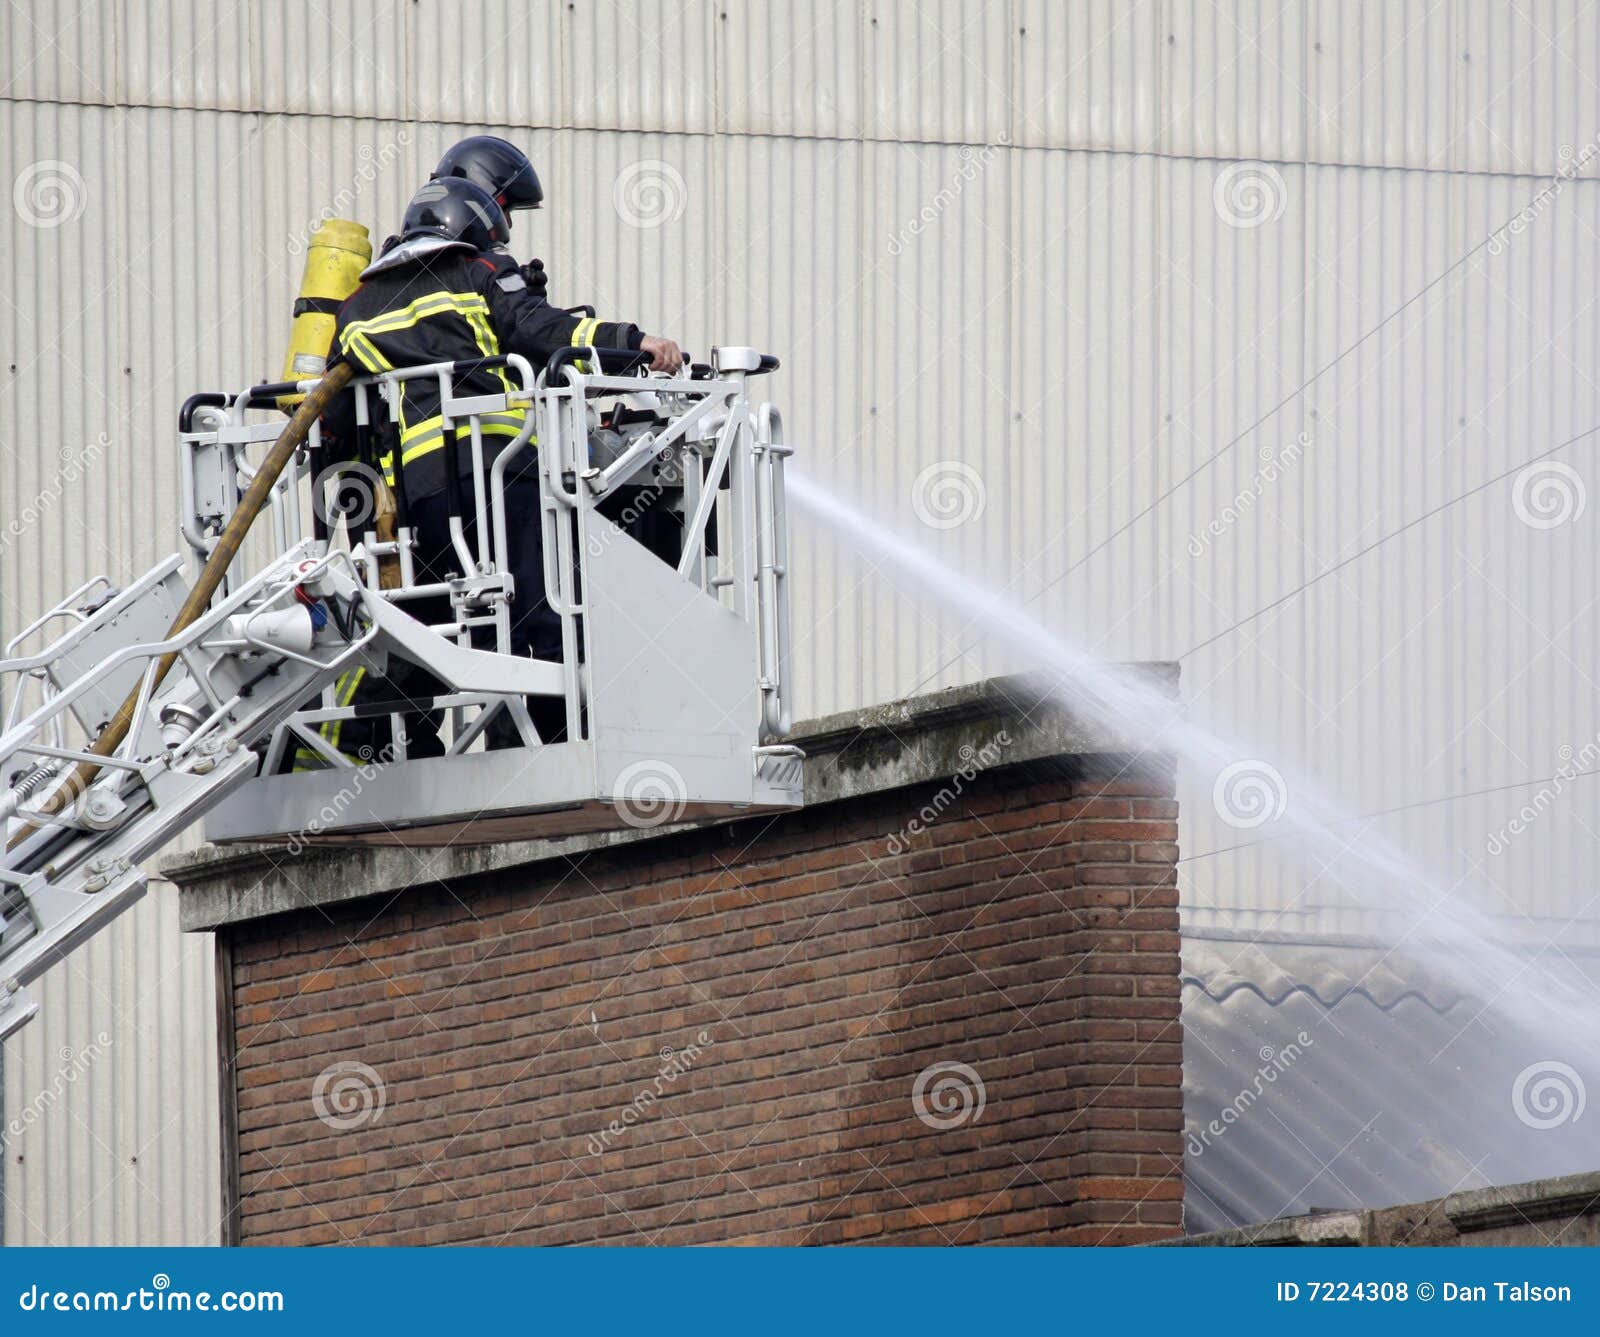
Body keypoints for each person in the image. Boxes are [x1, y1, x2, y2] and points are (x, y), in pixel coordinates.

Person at [302, 171, 681, 765]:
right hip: (503, 476)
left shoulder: (356, 308)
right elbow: (542, 329)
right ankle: (546, 747)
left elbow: (339, 423)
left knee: (416, 622)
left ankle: (387, 753)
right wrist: (633, 341)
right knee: (546, 605)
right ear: (473, 228)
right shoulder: (473, 272)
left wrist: (351, 520)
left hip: (417, 498)